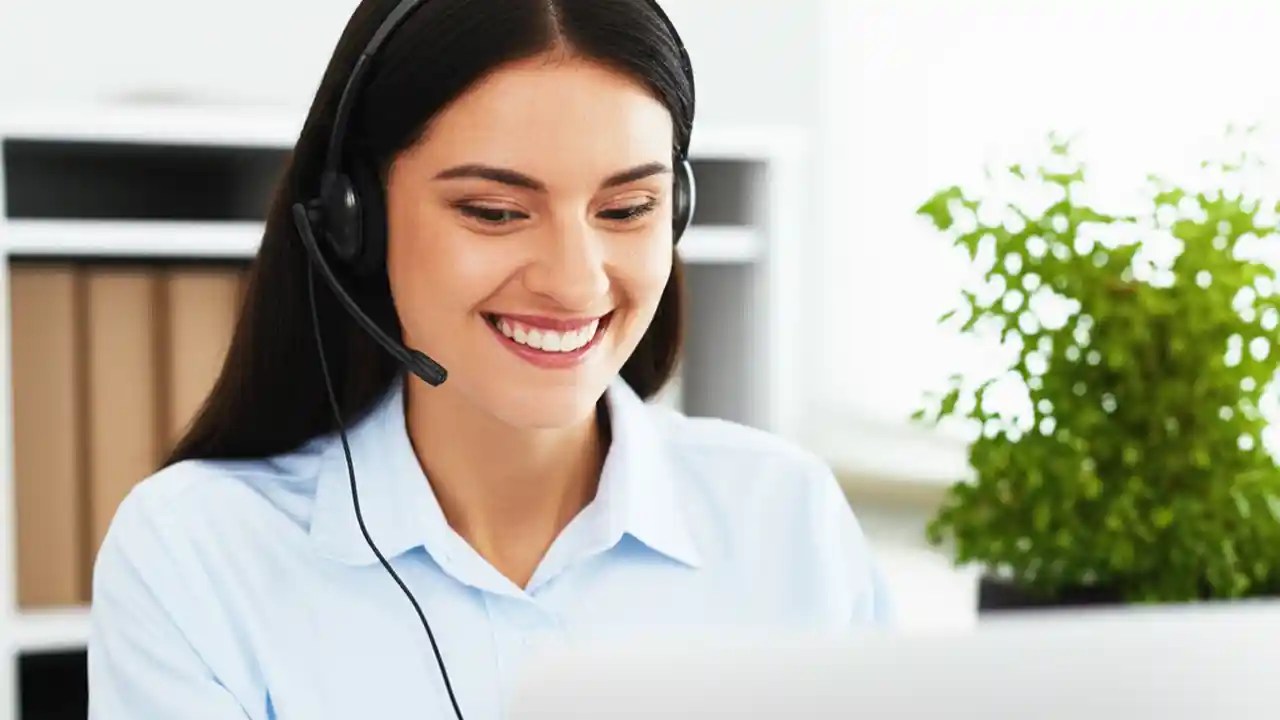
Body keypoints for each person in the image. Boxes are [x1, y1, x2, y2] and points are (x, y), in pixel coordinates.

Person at [87, 0, 893, 717]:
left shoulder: (786, 519)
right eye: (497, 211)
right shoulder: (196, 552)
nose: (575, 281)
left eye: (626, 208)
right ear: (354, 223)